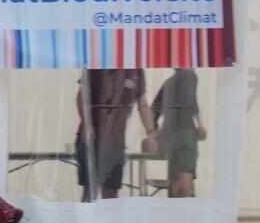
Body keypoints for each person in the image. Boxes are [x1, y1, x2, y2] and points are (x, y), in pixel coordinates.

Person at [76, 67, 156, 201]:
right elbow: (82, 95)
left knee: (111, 194)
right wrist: (86, 124)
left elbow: (142, 103)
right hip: (94, 138)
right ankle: (87, 214)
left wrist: (151, 133)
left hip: (116, 142)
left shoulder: (136, 70)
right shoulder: (98, 63)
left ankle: (109, 215)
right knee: (91, 191)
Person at [151, 69, 207, 198]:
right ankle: (187, 206)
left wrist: (153, 130)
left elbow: (155, 107)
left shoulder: (168, 83)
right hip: (185, 131)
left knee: (174, 178)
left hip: (169, 134)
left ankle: (175, 206)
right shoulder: (190, 75)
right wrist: (200, 125)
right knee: (186, 175)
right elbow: (192, 101)